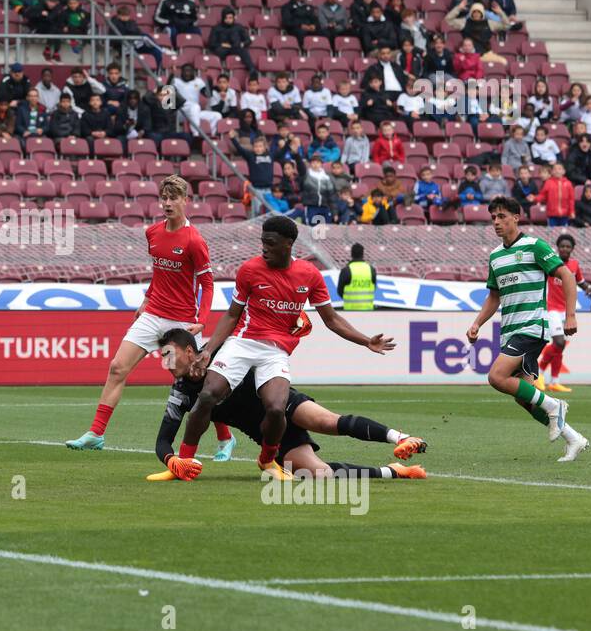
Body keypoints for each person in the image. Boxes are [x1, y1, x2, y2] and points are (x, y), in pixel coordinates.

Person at [180, 215, 395, 480]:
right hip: (243, 343)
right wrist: (208, 350)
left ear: (288, 244)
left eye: (270, 243)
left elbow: (332, 319)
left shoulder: (309, 274)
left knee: (275, 408)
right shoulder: (249, 270)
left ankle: (267, 460)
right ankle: (184, 461)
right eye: (262, 242)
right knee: (208, 395)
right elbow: (232, 315)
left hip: (275, 352)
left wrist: (366, 341)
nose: (264, 248)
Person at [66, 175, 230, 452]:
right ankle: (96, 433)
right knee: (118, 367)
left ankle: (225, 438)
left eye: (173, 198)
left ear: (185, 201)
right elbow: (159, 274)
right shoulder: (153, 232)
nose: (167, 203)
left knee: (197, 383)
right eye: (164, 198)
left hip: (180, 321)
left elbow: (207, 283)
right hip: (153, 314)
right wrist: (146, 300)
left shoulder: (194, 241)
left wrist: (201, 320)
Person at [147, 328, 427, 481]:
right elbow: (162, 441)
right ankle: (395, 471)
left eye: (168, 355)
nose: (165, 363)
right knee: (320, 475)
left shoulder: (222, 351)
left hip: (281, 401)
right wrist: (173, 461)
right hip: (268, 435)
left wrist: (293, 323)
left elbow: (254, 330)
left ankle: (401, 437)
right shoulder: (180, 393)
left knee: (327, 421)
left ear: (188, 350)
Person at [467, 197, 588, 461]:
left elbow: (566, 275)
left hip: (532, 327)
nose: (496, 222)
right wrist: (477, 323)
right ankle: (573, 438)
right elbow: (494, 297)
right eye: (493, 218)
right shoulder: (496, 256)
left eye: (501, 216)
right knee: (524, 398)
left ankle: (556, 405)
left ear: (516, 217)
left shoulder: (534, 246)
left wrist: (570, 315)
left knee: (496, 377)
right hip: (510, 331)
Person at [534, 234, 591, 394]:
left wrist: (588, 289)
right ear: (558, 248)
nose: (565, 249)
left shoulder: (574, 265)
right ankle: (538, 372)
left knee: (560, 346)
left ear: (572, 249)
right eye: (563, 246)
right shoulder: (552, 263)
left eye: (568, 246)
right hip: (551, 309)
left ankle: (554, 382)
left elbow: (579, 281)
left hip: (566, 311)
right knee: (558, 342)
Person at [539, 161, 575, 227]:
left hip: (565, 214)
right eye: (555, 169)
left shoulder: (568, 183)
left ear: (564, 171)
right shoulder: (548, 182)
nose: (557, 171)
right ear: (552, 172)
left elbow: (571, 200)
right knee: (552, 233)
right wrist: (535, 198)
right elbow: (543, 195)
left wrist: (572, 211)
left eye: (559, 169)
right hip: (552, 214)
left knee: (564, 234)